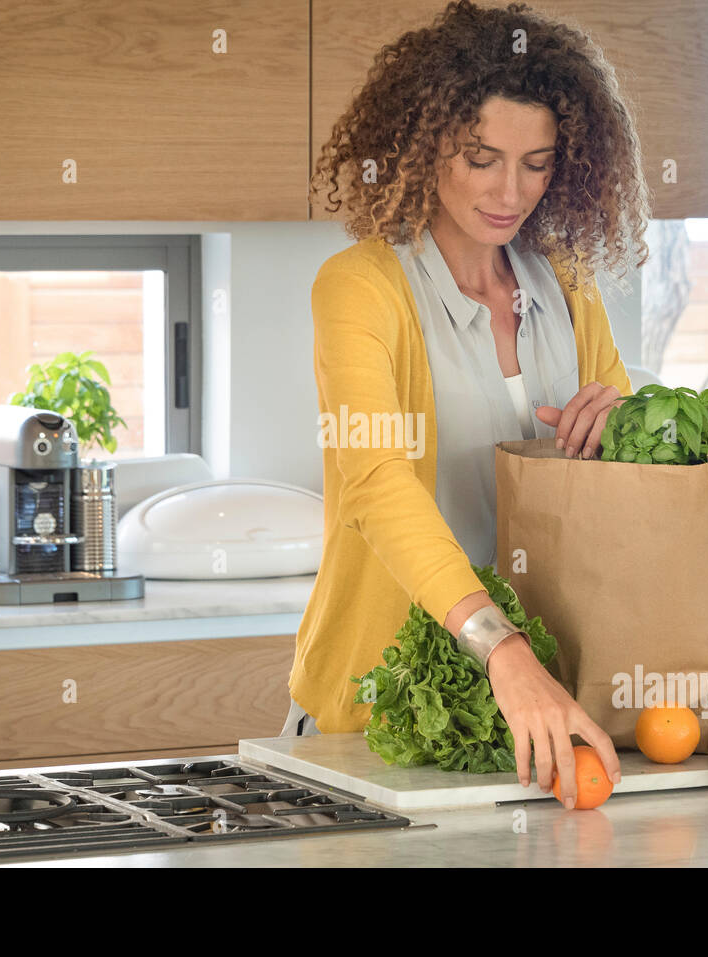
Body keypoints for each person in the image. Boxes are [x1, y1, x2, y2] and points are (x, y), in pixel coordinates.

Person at [281, 0, 651, 810]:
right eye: (481, 157)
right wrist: (501, 647)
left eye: (538, 162)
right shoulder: (361, 288)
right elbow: (376, 480)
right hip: (381, 713)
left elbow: (622, 466)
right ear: (424, 144)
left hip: (545, 711)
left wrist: (622, 423)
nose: (509, 190)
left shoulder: (570, 287)